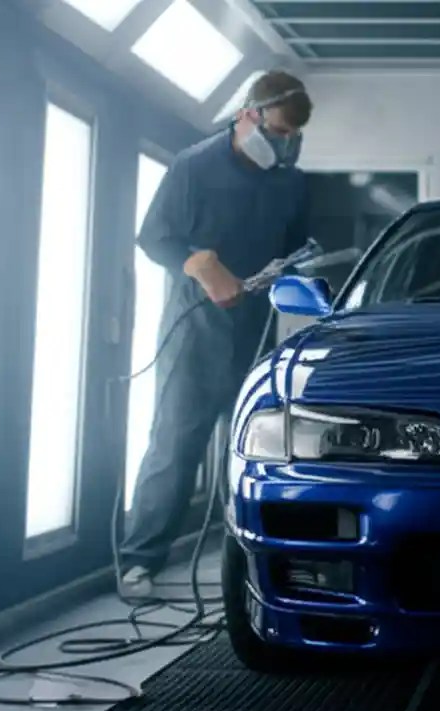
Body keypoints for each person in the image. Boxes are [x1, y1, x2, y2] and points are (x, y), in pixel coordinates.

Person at [119, 71, 313, 599]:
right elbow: (154, 237)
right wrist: (199, 265)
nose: (286, 144)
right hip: (196, 325)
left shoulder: (291, 182)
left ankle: (250, 559)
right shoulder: (195, 166)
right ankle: (140, 561)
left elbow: (298, 246)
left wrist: (294, 273)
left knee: (255, 444)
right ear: (249, 115)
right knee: (177, 441)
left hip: (255, 326)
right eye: (278, 132)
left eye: (294, 136)